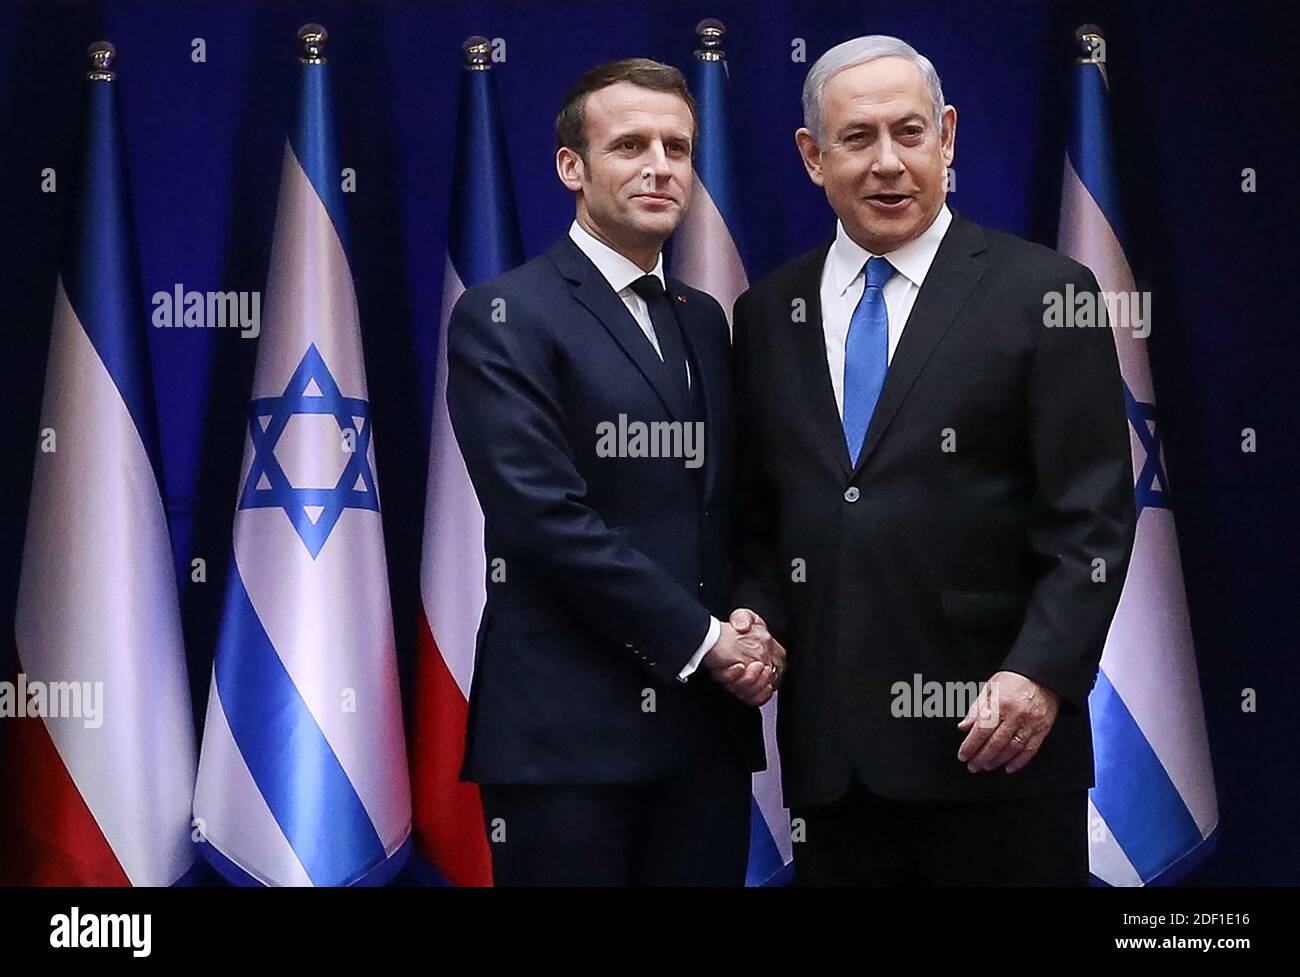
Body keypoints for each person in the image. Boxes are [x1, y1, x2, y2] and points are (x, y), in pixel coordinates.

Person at [731, 35, 1136, 885]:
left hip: (998, 746)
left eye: (910, 133)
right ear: (812, 157)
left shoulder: (1044, 292)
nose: (889, 163)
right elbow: (764, 513)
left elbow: (1092, 515)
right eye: (858, 138)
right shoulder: (768, 313)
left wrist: (1039, 672)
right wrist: (756, 615)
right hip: (837, 771)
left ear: (947, 138)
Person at [446, 58, 783, 886]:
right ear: (573, 167)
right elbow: (542, 518)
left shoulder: (705, 320)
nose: (660, 166)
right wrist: (709, 643)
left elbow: (737, 503)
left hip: (704, 739)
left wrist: (756, 617)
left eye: (677, 146)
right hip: (568, 742)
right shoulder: (504, 315)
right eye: (630, 144)